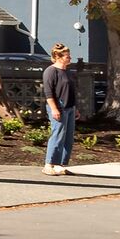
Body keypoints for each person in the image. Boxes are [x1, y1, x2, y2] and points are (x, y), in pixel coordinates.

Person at [42, 43, 78, 175]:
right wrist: (54, 109)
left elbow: (71, 91)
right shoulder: (51, 71)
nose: (69, 58)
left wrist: (75, 108)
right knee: (57, 135)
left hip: (70, 107)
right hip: (59, 106)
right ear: (58, 57)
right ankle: (49, 164)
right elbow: (48, 93)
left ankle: (60, 164)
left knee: (68, 137)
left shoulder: (68, 72)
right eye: (67, 56)